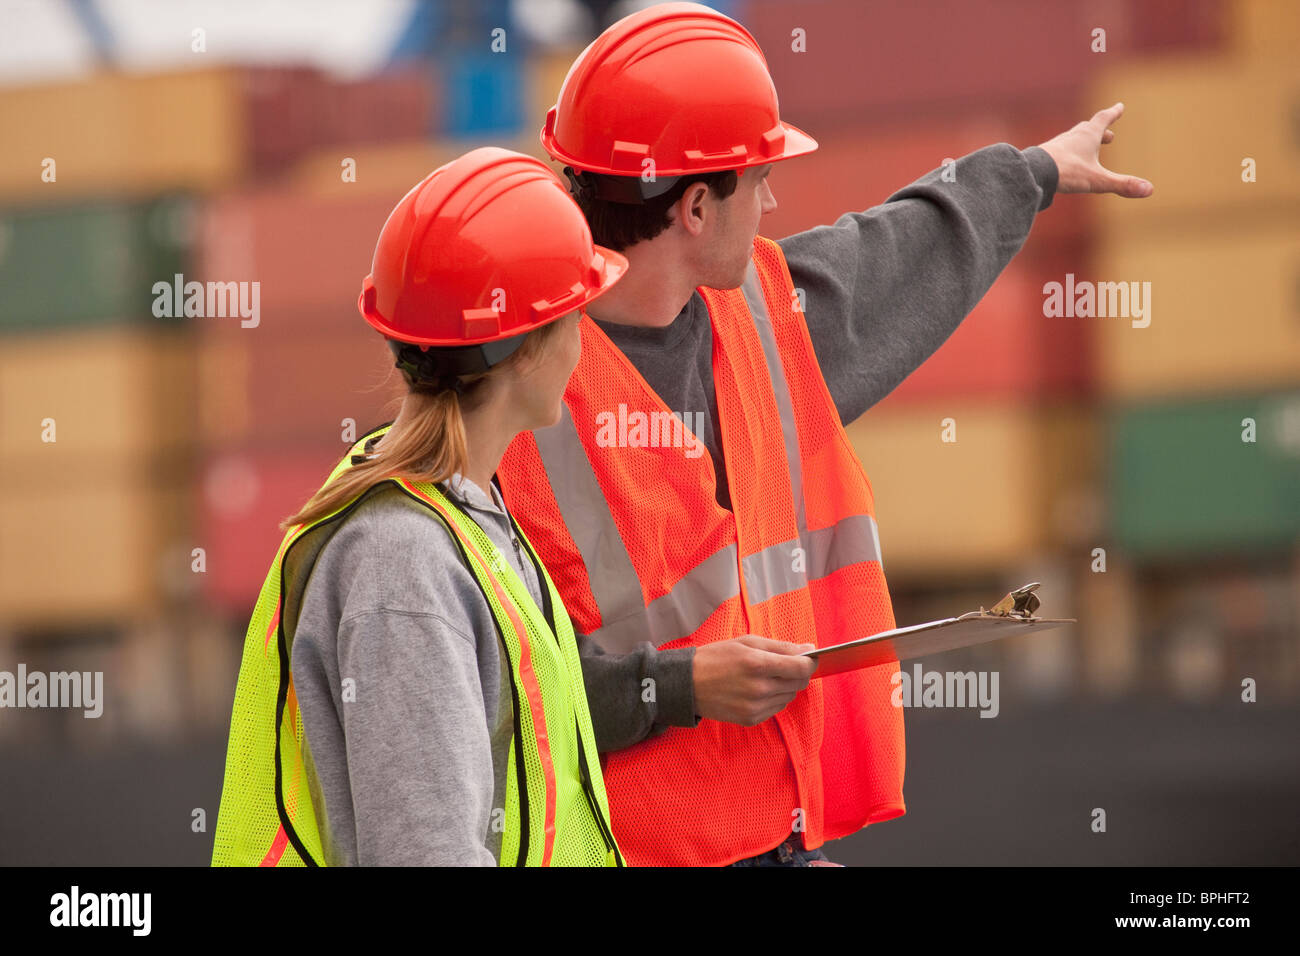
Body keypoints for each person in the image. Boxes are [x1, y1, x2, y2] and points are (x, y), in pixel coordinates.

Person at [494, 2, 1153, 866]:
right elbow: (490, 698)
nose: (773, 201)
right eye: (759, 178)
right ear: (696, 207)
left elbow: (891, 255)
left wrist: (1030, 173)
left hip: (777, 835)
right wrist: (679, 687)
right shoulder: (506, 403)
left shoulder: (766, 315)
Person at [211, 147, 629, 866]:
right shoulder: (403, 563)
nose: (585, 338)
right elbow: (423, 850)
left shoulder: (468, 521)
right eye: (575, 313)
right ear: (526, 348)